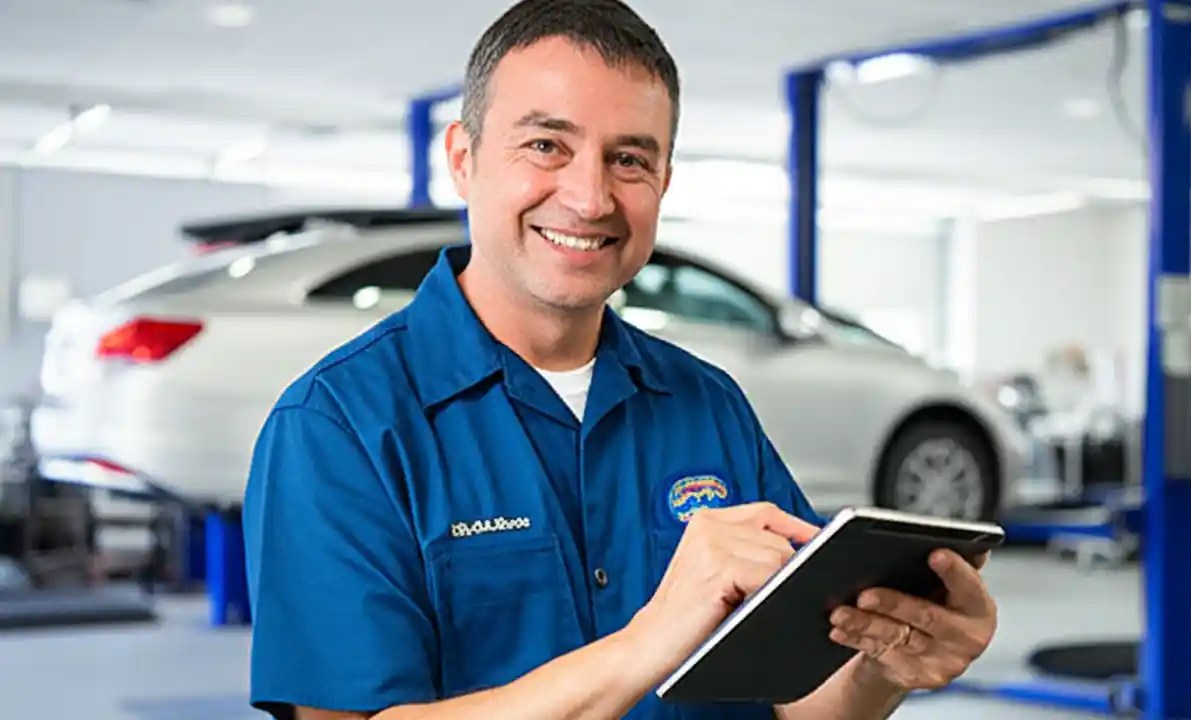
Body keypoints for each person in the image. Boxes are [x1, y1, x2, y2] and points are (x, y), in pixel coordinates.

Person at [241, 1, 999, 718]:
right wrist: (650, 639)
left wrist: (887, 661)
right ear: (464, 160)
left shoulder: (709, 405)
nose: (589, 196)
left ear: (663, 182)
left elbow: (799, 701)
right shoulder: (337, 426)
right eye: (546, 145)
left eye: (629, 159)